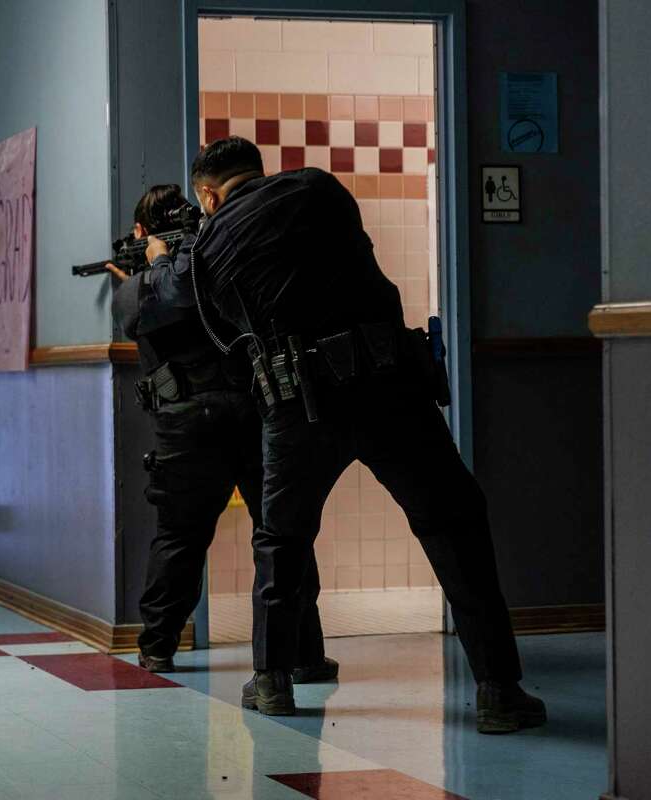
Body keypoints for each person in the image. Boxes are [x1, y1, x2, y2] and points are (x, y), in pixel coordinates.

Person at [144, 137, 546, 734]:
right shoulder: (317, 186)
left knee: (281, 541)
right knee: (454, 525)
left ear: (207, 194)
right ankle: (499, 690)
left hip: (297, 406)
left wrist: (162, 258)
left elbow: (186, 309)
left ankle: (272, 681)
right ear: (258, 170)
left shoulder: (207, 246)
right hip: (391, 388)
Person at [108, 184, 335, 683]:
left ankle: (158, 647)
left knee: (179, 536)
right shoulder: (228, 260)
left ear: (143, 232)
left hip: (187, 423)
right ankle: (303, 653)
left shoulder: (155, 281)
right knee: (281, 532)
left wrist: (142, 275)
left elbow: (137, 314)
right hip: (256, 412)